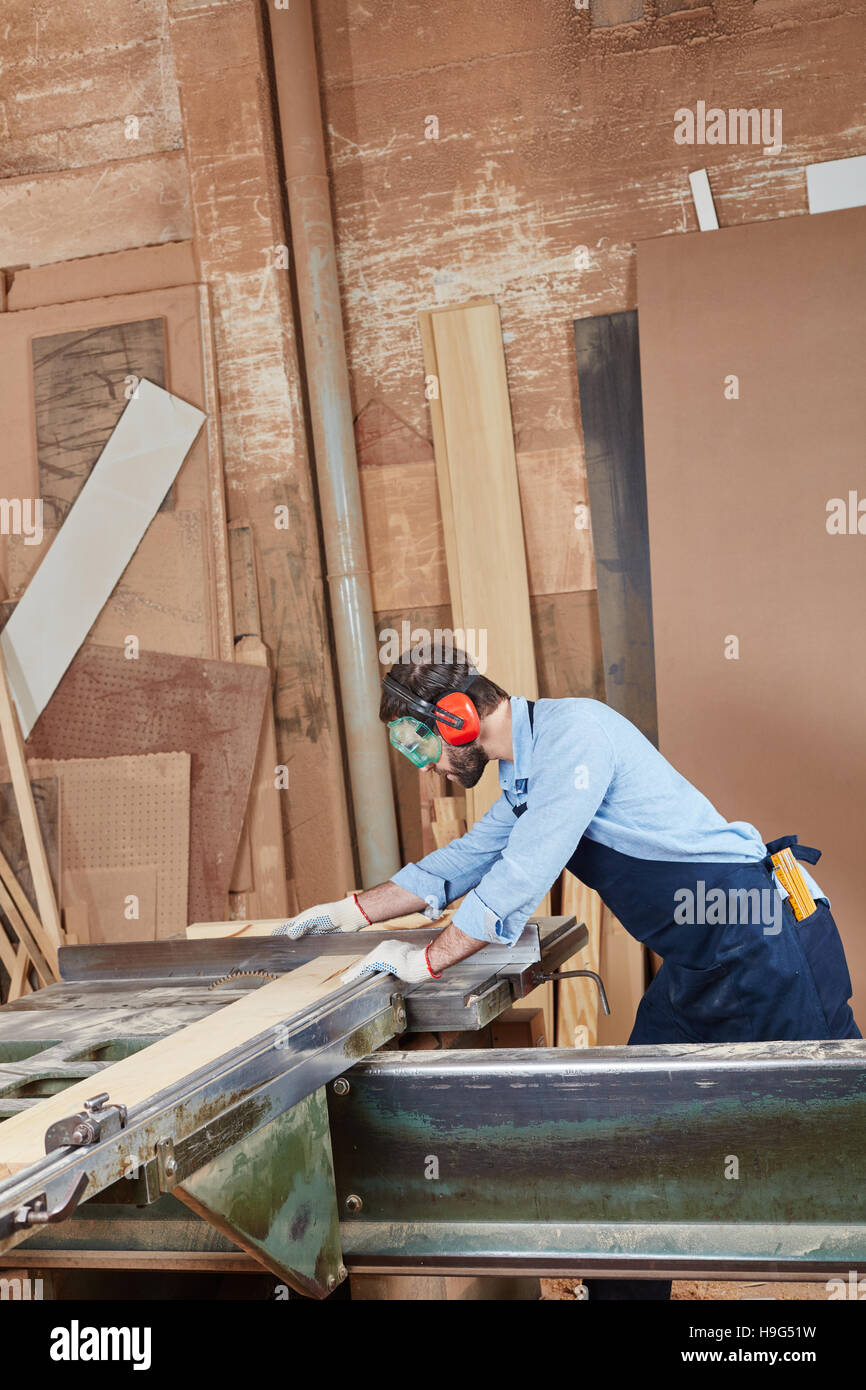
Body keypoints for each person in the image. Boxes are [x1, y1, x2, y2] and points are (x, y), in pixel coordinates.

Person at [273, 650, 859, 1298]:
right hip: (708, 959)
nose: (434, 770)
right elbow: (469, 857)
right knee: (634, 1135)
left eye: (426, 750)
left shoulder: (573, 734)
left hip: (766, 937)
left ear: (457, 716)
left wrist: (426, 960)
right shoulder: (528, 771)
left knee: (832, 1137)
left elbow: (523, 872)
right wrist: (350, 909)